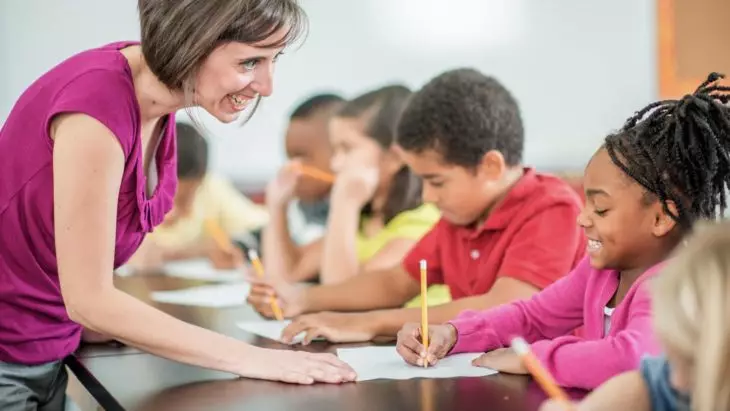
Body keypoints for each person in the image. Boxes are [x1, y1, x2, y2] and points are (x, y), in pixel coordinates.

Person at [0, 1, 356, 409]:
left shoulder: (154, 103)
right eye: (250, 62)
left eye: (273, 60)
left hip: (47, 350)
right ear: (191, 42)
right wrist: (255, 359)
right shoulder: (97, 105)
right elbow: (89, 300)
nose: (266, 86)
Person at [397, 73, 730, 390]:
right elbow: (533, 316)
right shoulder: (601, 271)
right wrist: (453, 334)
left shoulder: (673, 284)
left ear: (662, 217)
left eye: (600, 209)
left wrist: (533, 358)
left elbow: (629, 359)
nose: (582, 219)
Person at [248, 69, 585, 344]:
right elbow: (395, 282)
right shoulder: (462, 216)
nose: (426, 197)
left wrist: (369, 323)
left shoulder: (551, 208)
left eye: (436, 181)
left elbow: (505, 306)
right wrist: (303, 299)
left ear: (491, 168)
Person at [541, 222, 730, 411]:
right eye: (673, 361)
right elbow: (647, 384)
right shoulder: (674, 380)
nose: (675, 382)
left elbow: (627, 359)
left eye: (690, 364)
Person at [128, 122, 268, 271]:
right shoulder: (123, 196)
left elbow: (263, 229)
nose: (175, 210)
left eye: (185, 198)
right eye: (165, 199)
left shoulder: (210, 189)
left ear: (201, 180)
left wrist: (236, 246)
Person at [261, 93, 344, 282]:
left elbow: (290, 273)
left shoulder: (355, 210)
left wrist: (277, 208)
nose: (293, 168)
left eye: (303, 156)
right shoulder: (307, 206)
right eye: (290, 158)